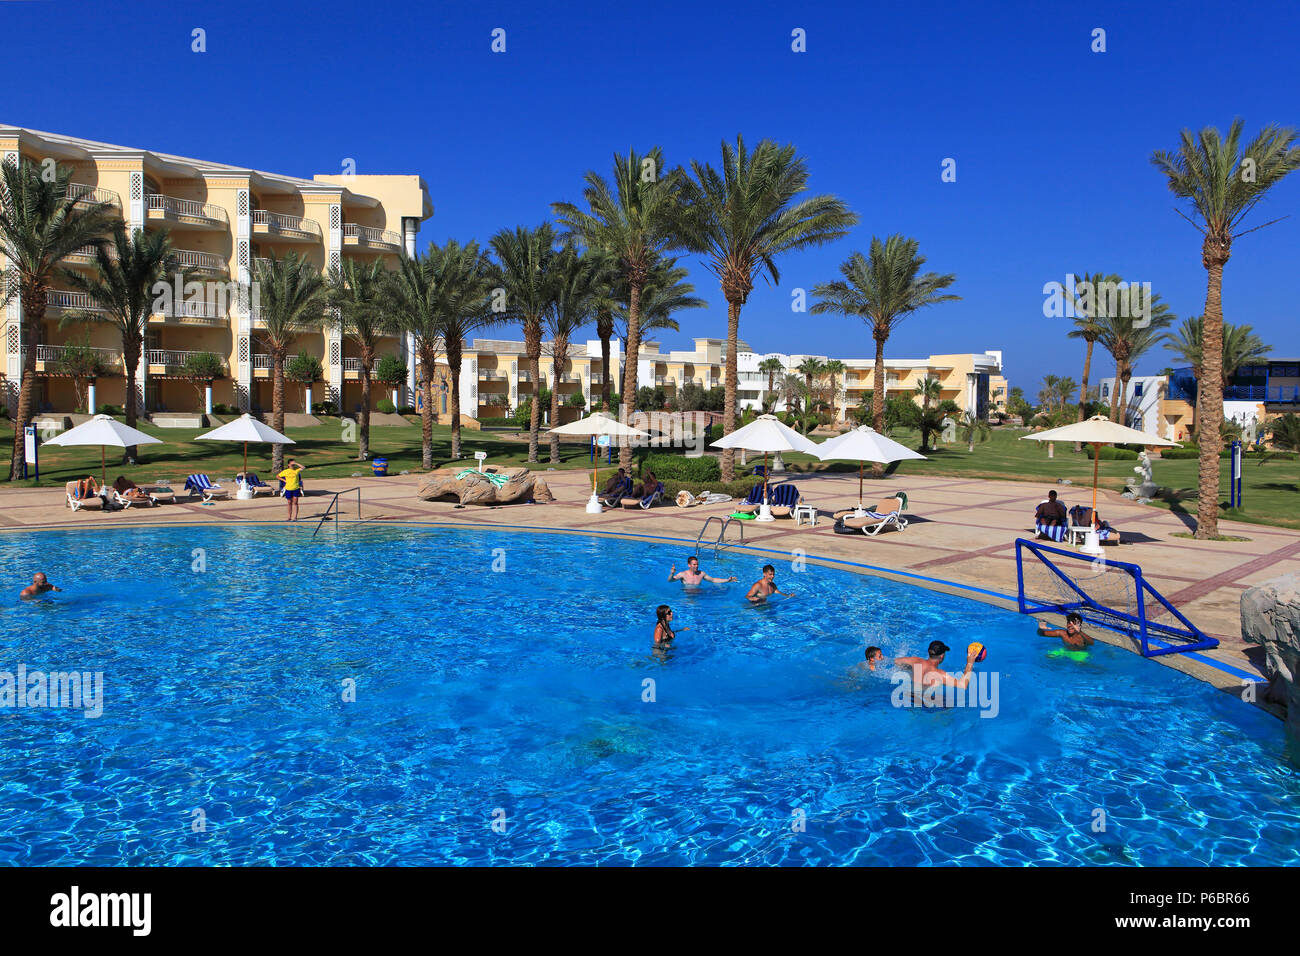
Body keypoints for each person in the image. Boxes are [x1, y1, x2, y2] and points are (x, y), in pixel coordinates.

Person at [894, 640, 978, 691]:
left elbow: (896, 661)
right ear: (942, 656)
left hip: (909, 695)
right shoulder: (939, 674)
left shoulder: (915, 661)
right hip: (923, 702)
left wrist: (909, 669)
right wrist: (970, 663)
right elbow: (963, 685)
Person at [668, 556, 738, 587]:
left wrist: (727, 580)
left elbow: (713, 580)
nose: (696, 566)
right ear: (689, 565)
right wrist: (672, 573)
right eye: (694, 564)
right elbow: (670, 580)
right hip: (687, 597)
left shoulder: (701, 574)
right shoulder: (683, 574)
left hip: (699, 596)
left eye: (697, 564)